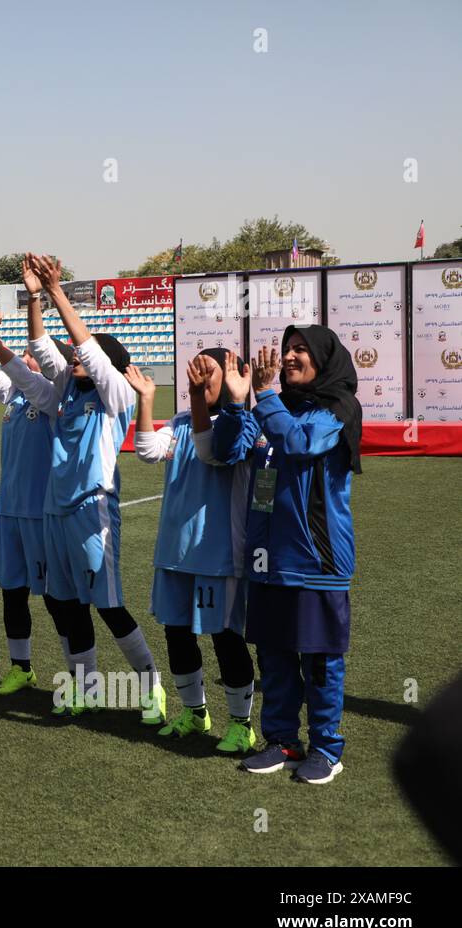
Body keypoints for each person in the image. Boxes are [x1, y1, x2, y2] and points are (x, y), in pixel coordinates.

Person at [211, 329, 360, 784]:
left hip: (317, 560)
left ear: (324, 359)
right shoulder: (271, 408)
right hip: (267, 559)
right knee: (273, 657)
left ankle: (326, 750)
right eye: (287, 349)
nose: (290, 357)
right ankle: (281, 741)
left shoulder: (337, 408)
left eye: (301, 350)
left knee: (319, 661)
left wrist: (264, 395)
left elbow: (298, 444)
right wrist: (236, 404)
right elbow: (226, 450)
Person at [25, 254, 164, 722]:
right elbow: (41, 347)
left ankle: (151, 688)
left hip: (92, 508)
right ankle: (84, 689)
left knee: (108, 605)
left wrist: (57, 291)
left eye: (85, 356)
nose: (76, 358)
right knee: (64, 605)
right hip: (56, 509)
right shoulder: (66, 390)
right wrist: (35, 297)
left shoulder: (116, 394)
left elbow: (89, 353)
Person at [129, 351, 256, 753]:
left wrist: (200, 399)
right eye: (196, 367)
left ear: (232, 377)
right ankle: (194, 712)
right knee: (177, 633)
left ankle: (241, 724)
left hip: (217, 554)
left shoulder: (241, 426)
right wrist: (146, 400)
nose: (200, 375)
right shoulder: (181, 421)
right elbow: (147, 450)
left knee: (225, 638)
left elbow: (212, 453)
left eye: (209, 370)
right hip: (174, 551)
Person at [0, 271, 65, 695]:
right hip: (8, 510)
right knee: (12, 592)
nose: (25, 359)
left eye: (30, 356)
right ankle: (21, 667)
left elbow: (13, 370)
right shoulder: (15, 397)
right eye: (23, 355)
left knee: (56, 599)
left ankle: (78, 673)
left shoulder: (51, 397)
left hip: (39, 513)